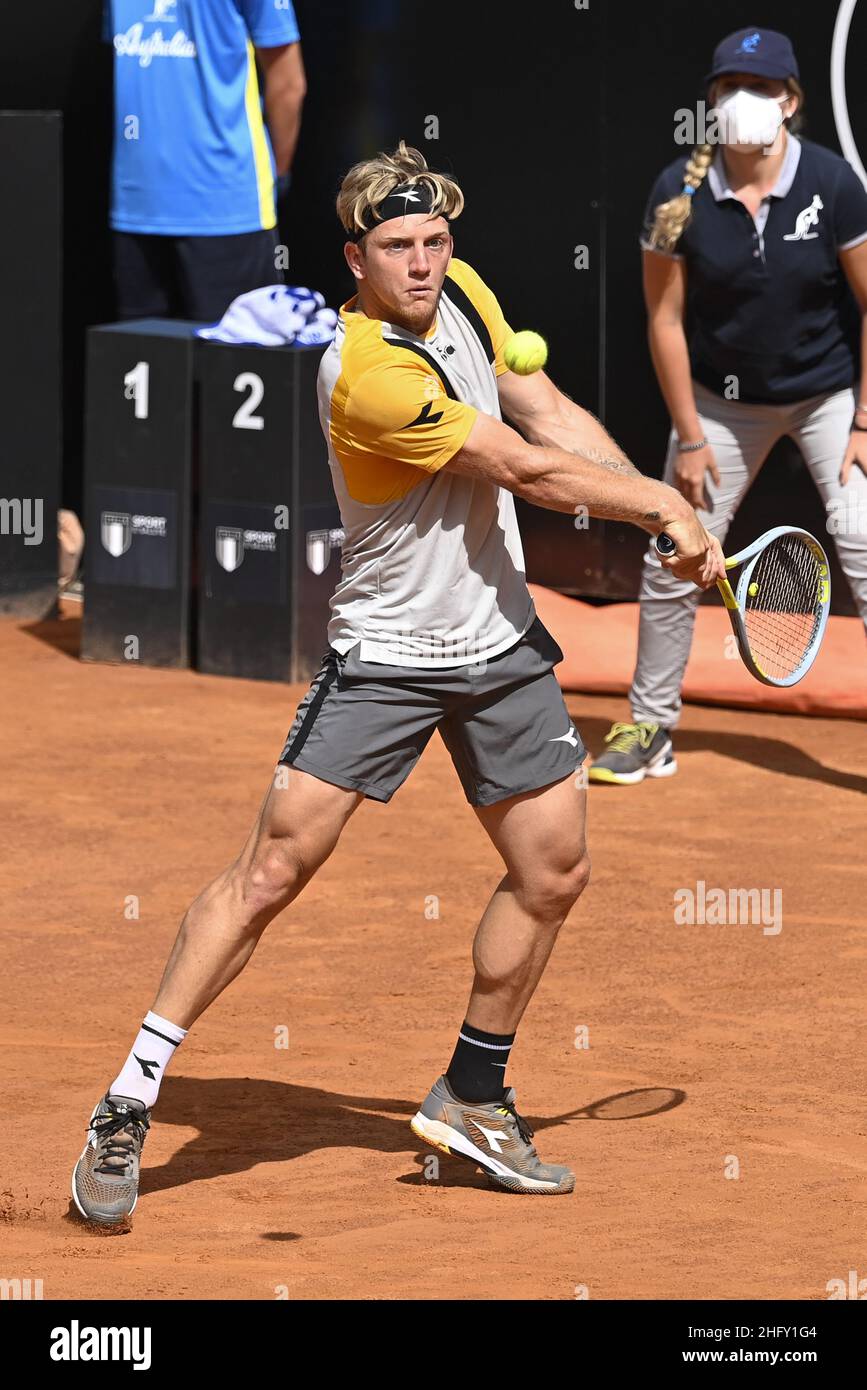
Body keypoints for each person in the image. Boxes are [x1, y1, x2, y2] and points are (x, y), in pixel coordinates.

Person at [71, 142, 723, 1223]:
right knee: (273, 871)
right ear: (355, 260)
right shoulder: (365, 373)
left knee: (554, 870)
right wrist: (661, 509)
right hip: (389, 655)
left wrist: (652, 498)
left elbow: (549, 413)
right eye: (396, 248)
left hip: (499, 639)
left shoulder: (460, 286)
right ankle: (131, 1096)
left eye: (433, 242)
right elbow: (519, 464)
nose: (422, 264)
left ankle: (474, 1094)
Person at [590, 27, 867, 786]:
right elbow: (664, 321)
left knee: (865, 548)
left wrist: (865, 420)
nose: (745, 100)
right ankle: (649, 728)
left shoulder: (833, 184)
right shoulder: (675, 193)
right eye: (730, 86)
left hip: (830, 397)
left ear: (791, 102)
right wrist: (688, 435)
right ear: (712, 100)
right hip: (718, 406)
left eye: (763, 87)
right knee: (673, 553)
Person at [105, 0, 306, 321]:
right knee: (143, 360)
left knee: (235, 364)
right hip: (135, 206)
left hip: (226, 206)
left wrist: (275, 174)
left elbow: (288, 82)